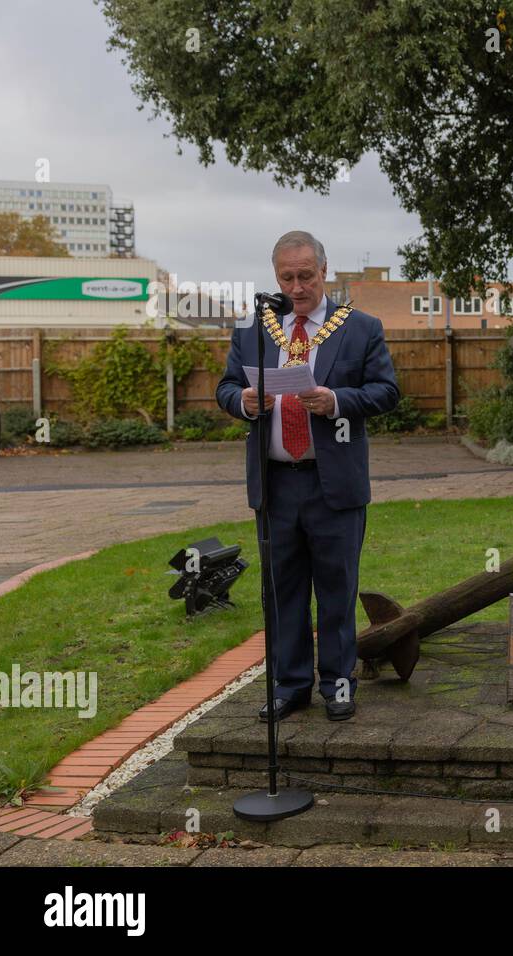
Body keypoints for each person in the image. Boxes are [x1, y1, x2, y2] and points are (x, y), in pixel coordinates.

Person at [216, 230, 399, 722]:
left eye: (306, 276)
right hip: (275, 481)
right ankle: (288, 684)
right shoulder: (254, 328)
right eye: (286, 277)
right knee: (282, 589)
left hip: (332, 480)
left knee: (336, 587)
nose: (297, 287)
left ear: (324, 270)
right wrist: (242, 401)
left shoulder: (361, 328)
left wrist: (338, 400)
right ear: (276, 276)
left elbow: (387, 392)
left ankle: (338, 683)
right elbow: (227, 386)